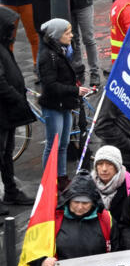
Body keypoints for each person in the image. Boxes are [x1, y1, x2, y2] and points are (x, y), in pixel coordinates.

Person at [36, 18, 87, 183]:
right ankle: (49, 182)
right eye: (67, 33)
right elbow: (50, 85)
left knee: (63, 144)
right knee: (53, 146)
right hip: (54, 106)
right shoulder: (48, 56)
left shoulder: (62, 51)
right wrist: (75, 90)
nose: (71, 35)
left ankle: (62, 178)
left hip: (64, 105)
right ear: (56, 35)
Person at [0, 6, 35, 211]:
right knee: (2, 152)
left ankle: (11, 191)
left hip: (9, 112)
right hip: (4, 111)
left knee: (6, 154)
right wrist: (16, 98)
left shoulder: (4, 45)